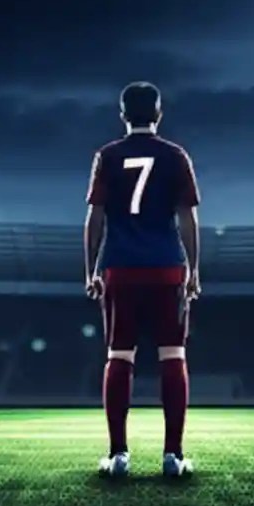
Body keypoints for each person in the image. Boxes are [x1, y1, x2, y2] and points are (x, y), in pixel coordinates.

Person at [84, 81, 201, 478]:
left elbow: (95, 217)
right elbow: (187, 217)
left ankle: (118, 456)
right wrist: (195, 270)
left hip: (121, 266)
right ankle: (173, 457)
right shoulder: (176, 156)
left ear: (122, 115)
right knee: (173, 356)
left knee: (119, 356)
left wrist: (90, 271)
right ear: (159, 113)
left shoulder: (107, 156)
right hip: (167, 265)